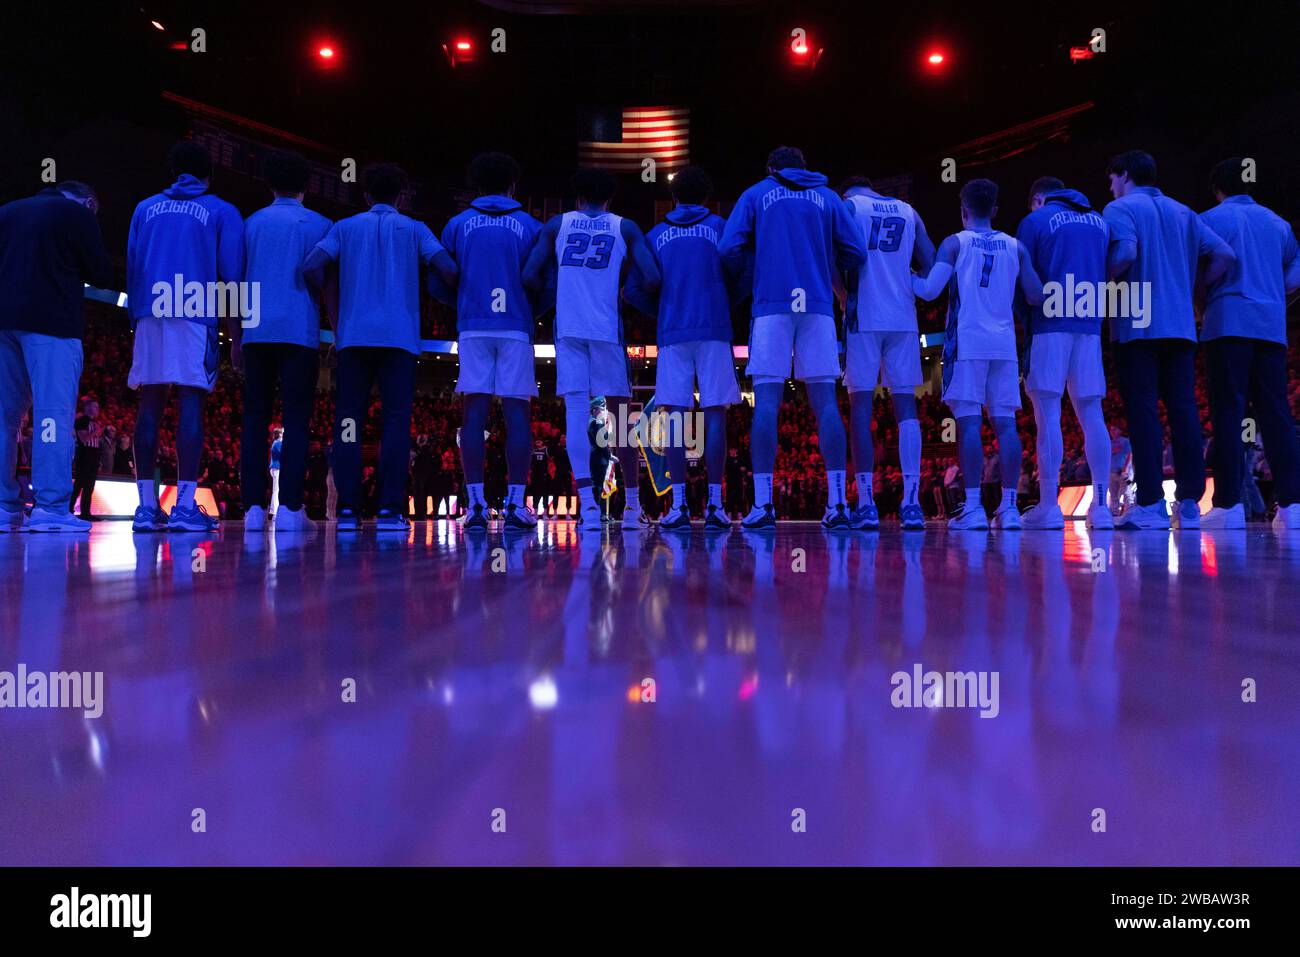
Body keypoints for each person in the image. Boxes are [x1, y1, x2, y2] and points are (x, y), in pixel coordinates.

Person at [304, 162, 458, 531]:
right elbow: (450, 269)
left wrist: (333, 303)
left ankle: (346, 511)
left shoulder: (344, 227)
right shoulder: (416, 229)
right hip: (399, 339)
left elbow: (311, 266)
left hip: (354, 337)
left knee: (347, 424)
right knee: (395, 423)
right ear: (401, 195)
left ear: (366, 194)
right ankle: (390, 510)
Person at [719, 146, 866, 529]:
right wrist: (824, 262)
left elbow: (729, 248)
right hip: (816, 305)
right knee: (827, 406)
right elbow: (855, 251)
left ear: (770, 168)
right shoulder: (828, 196)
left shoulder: (756, 194)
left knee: (767, 405)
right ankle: (837, 505)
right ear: (805, 167)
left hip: (771, 305)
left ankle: (764, 505)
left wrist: (759, 263)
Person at [1102, 149, 1235, 530]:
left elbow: (1126, 253)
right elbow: (1224, 255)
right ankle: (1190, 506)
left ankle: (1150, 505)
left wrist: (1101, 281)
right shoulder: (1184, 212)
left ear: (1123, 174)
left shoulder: (1121, 210)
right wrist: (1197, 289)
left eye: (1111, 180)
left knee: (1144, 413)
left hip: (1137, 326)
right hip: (1181, 325)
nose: (1110, 188)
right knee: (1184, 411)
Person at [522, 167, 661, 531]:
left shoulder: (557, 225)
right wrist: (618, 290)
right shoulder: (624, 226)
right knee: (621, 424)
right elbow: (652, 278)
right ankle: (631, 509)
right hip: (606, 328)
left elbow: (528, 276)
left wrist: (560, 290)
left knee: (576, 415)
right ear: (610, 199)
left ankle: (587, 510)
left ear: (577, 198)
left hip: (569, 328)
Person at [126, 140, 244, 533]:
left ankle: (145, 509)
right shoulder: (222, 210)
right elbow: (231, 276)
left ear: (173, 171)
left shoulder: (145, 208)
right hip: (196, 311)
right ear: (208, 174)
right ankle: (185, 507)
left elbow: (132, 265)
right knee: (192, 401)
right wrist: (236, 334)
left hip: (150, 310)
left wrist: (136, 318)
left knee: (150, 403)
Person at [913, 178, 1044, 530]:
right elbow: (1034, 294)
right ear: (996, 210)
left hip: (968, 343)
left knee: (969, 425)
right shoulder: (1016, 247)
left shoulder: (955, 243)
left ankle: (972, 509)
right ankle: (1010, 508)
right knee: (1007, 426)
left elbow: (929, 291)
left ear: (963, 211)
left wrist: (902, 277)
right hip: (1004, 345)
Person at [624, 165, 739, 531]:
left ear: (673, 197)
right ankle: (717, 507)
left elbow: (632, 290)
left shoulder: (656, 234)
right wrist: (726, 301)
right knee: (715, 415)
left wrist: (661, 312)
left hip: (673, 331)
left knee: (674, 419)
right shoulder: (721, 229)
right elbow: (744, 269)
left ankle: (677, 507)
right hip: (714, 328)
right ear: (706, 197)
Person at [437, 152, 544, 530]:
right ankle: (516, 505)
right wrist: (531, 312)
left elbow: (440, 276)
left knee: (474, 414)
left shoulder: (458, 223)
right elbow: (543, 280)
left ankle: (477, 507)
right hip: (515, 325)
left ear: (476, 187)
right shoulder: (530, 224)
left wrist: (464, 303)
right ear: (513, 186)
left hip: (473, 326)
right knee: (517, 415)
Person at [0, 179, 113, 532]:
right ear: (87, 201)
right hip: (52, 324)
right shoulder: (75, 213)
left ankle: (4, 506)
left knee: (4, 418)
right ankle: (49, 507)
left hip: (3, 323)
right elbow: (101, 274)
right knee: (52, 416)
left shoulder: (7, 211)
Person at [1197, 157, 1300, 529]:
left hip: (1228, 324)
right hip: (1271, 327)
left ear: (1217, 188)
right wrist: (1270, 298)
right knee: (1276, 415)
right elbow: (1294, 279)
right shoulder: (1279, 224)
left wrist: (1207, 294)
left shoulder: (1210, 219)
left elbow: (1203, 271)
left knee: (1230, 413)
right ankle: (1292, 507)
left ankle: (1228, 506)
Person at [235, 149, 330, 533]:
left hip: (255, 329)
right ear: (307, 186)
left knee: (254, 418)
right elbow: (325, 281)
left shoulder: (250, 223)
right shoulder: (321, 223)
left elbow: (236, 280)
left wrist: (236, 334)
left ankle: (253, 509)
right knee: (296, 418)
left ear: (269, 183)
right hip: (298, 329)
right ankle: (291, 508)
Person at [1015, 176, 1114, 529]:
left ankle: (1048, 506)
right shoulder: (1101, 221)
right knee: (1092, 415)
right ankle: (1101, 507)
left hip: (1047, 326)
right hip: (1089, 325)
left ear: (1038, 199)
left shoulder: (1035, 221)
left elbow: (1022, 281)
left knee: (1048, 418)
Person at [840, 176, 934, 530]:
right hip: (902, 317)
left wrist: (842, 295)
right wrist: (905, 279)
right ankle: (912, 504)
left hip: (864, 315)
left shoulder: (849, 207)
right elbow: (931, 262)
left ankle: (865, 504)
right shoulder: (909, 211)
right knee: (906, 408)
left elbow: (837, 256)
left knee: (861, 407)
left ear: (847, 192)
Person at [71, 396, 103, 520]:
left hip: (93, 455)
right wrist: (97, 432)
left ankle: (86, 512)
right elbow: (84, 439)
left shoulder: (95, 422)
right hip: (84, 455)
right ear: (88, 408)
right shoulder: (81, 421)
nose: (97, 409)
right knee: (79, 484)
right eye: (95, 406)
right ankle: (70, 509)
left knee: (90, 485)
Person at [268, 428, 283, 519]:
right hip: (276, 468)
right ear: (280, 434)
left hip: (277, 468)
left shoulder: (278, 443)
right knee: (276, 490)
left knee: (277, 490)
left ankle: (274, 511)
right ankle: (274, 511)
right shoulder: (277, 443)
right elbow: (283, 454)